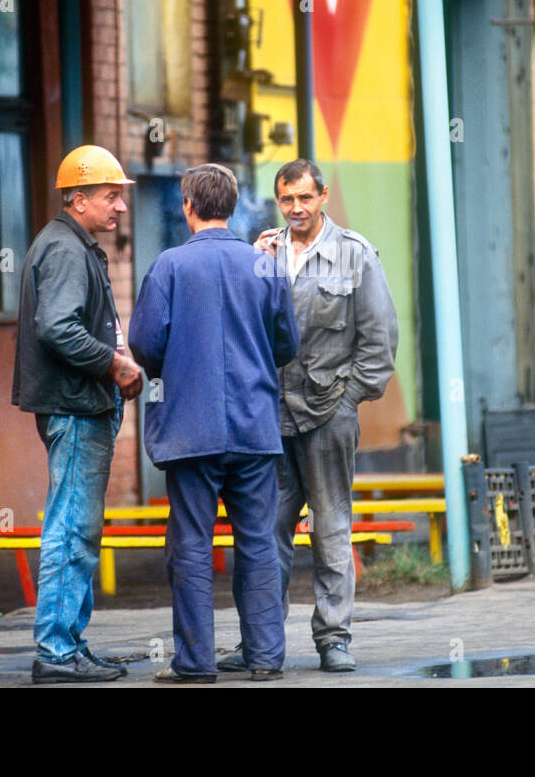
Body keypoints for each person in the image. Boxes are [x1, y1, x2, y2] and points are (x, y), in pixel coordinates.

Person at [223, 159, 398, 673]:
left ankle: (333, 639)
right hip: (271, 417)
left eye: (304, 198)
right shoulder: (264, 253)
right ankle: (260, 640)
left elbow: (380, 340)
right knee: (264, 530)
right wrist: (252, 265)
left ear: (323, 196)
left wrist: (347, 400)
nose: (296, 209)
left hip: (328, 415)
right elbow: (245, 327)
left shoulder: (355, 254)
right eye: (286, 200)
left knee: (331, 528)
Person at [129, 163, 300, 683]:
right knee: (258, 542)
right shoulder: (264, 266)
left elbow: (144, 343)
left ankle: (195, 662)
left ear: (187, 206)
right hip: (254, 426)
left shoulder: (168, 267)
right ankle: (266, 657)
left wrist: (174, 369)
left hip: (189, 429)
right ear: (233, 205)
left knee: (191, 545)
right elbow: (287, 344)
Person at [13, 145, 145, 684]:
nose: (120, 207)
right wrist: (114, 365)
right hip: (74, 408)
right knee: (70, 531)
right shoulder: (66, 250)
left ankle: (70, 645)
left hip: (76, 405)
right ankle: (56, 653)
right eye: (112, 196)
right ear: (79, 198)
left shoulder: (71, 244)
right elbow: (57, 327)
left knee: (80, 530)